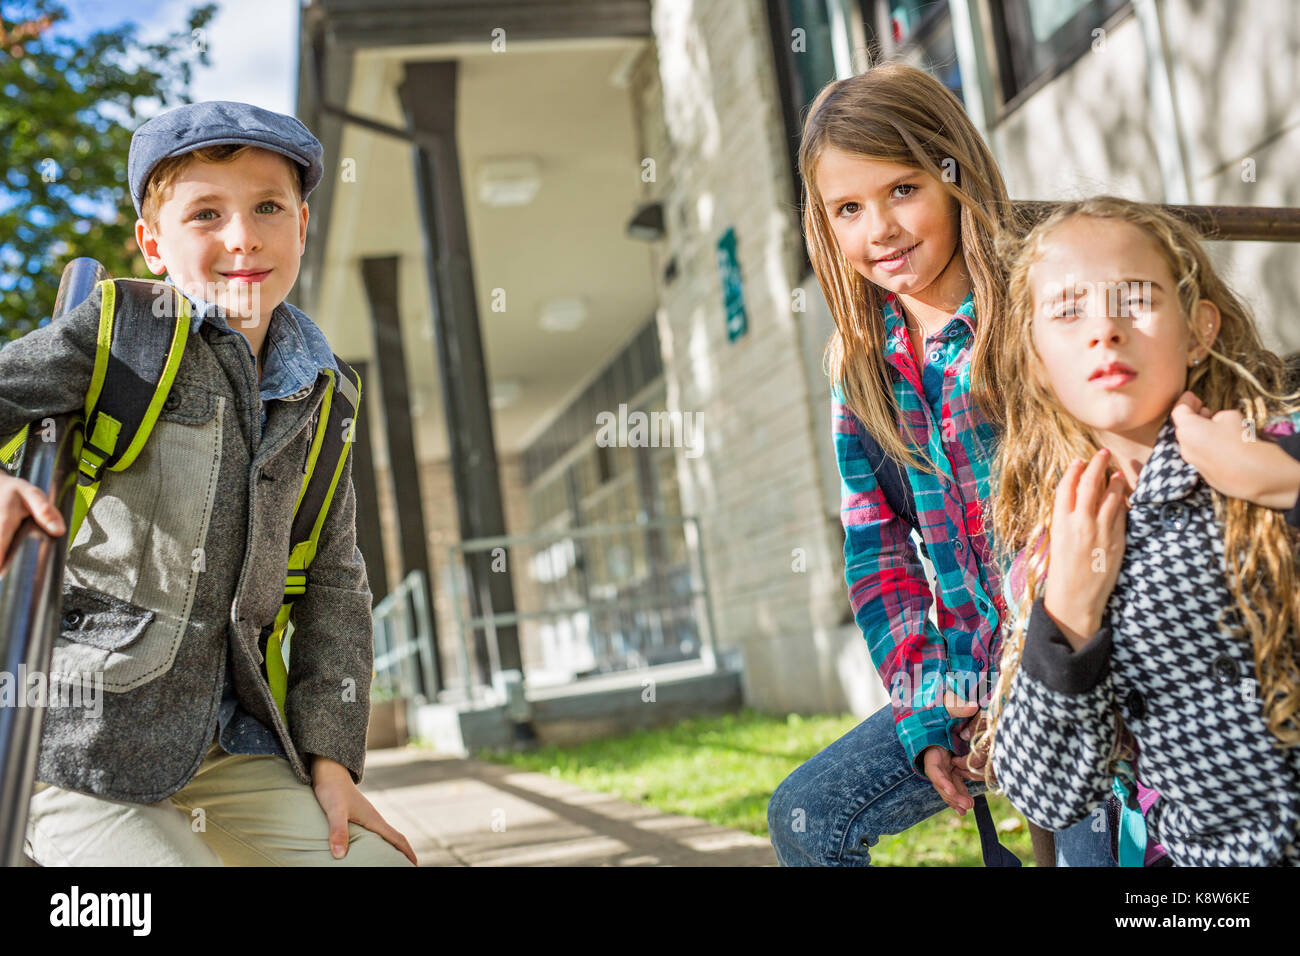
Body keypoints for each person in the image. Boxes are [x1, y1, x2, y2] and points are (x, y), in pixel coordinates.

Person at [0, 101, 416, 866]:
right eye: (205, 214)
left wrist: (331, 761)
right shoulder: (125, 329)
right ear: (154, 244)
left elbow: (334, 582)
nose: (243, 237)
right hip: (80, 740)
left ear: (303, 226)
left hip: (233, 747)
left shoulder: (327, 394)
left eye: (268, 206)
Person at [766, 61, 1112, 866]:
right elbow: (879, 557)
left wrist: (1044, 686)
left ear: (954, 174)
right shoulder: (861, 371)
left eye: (902, 190)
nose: (879, 229)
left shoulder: (1038, 313)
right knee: (808, 818)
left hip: (1082, 675)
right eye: (848, 208)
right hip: (962, 682)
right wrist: (929, 713)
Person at [979, 195, 1300, 866]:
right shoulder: (1055, 548)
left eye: (1136, 299)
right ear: (1036, 359)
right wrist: (1068, 614)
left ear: (1197, 330)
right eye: (1068, 311)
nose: (1105, 329)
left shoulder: (1272, 452)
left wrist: (1277, 480)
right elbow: (1048, 795)